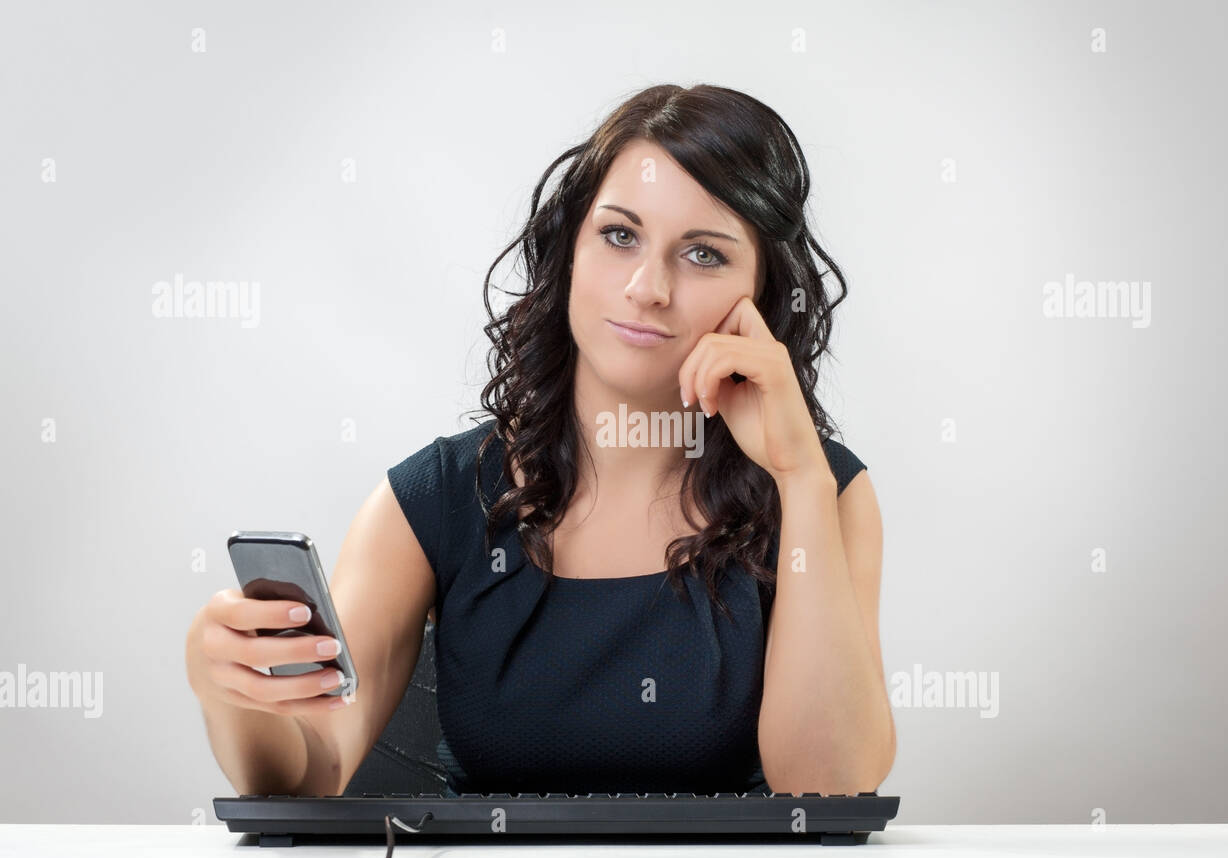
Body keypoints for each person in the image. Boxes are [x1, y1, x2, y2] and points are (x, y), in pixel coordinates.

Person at [186, 83, 893, 799]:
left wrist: (799, 475)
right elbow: (312, 774)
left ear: (763, 295)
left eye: (704, 254)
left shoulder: (825, 491)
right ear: (570, 254)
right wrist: (234, 695)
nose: (648, 288)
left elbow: (828, 787)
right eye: (620, 236)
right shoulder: (429, 500)